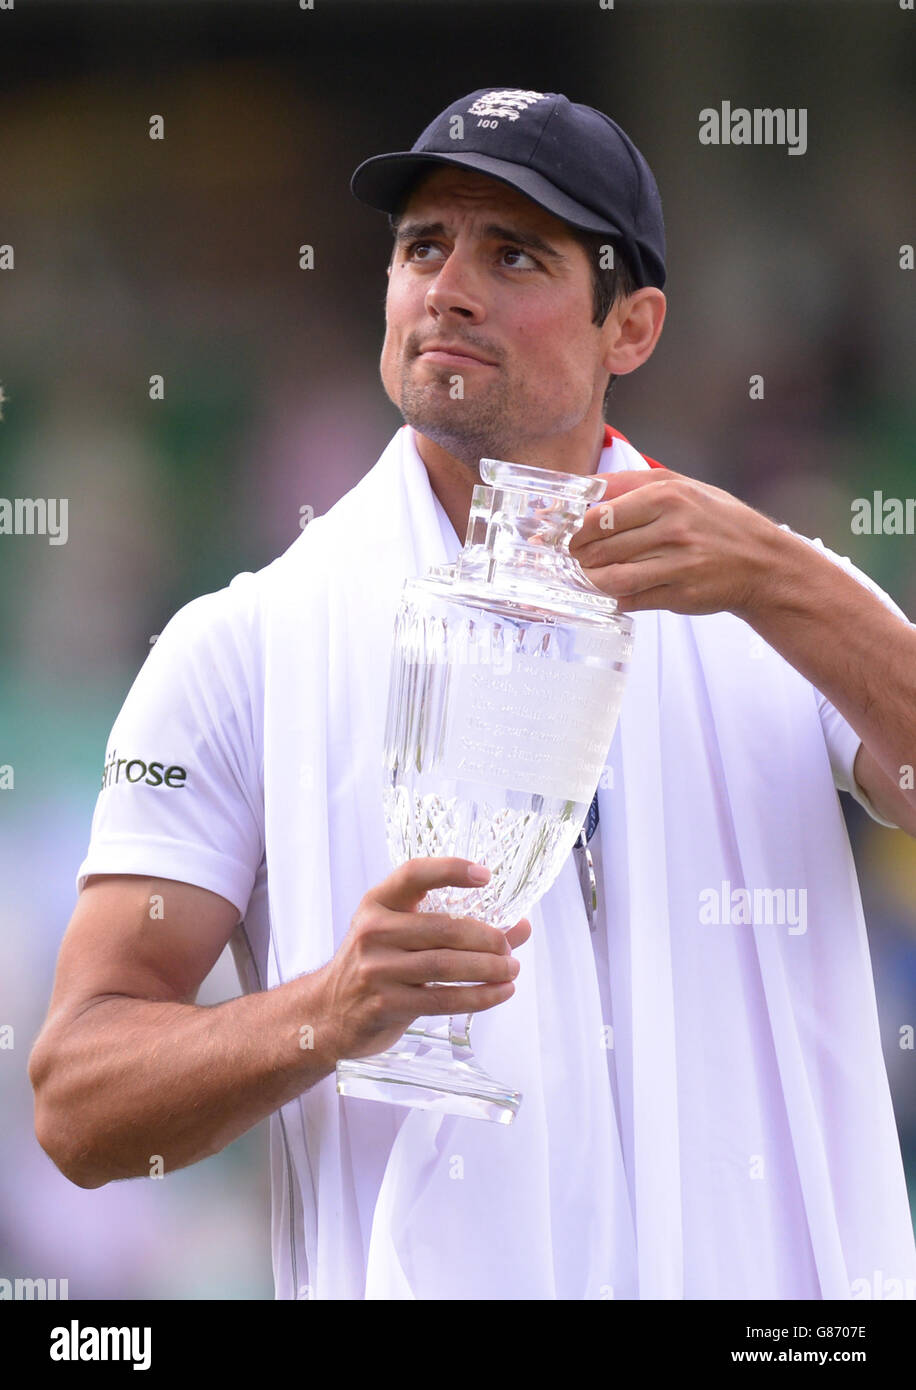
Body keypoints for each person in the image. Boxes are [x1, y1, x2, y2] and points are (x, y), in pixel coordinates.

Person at [29, 88, 916, 1301]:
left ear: (633, 326)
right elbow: (78, 1096)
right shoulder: (243, 643)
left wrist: (778, 574)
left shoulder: (773, 601)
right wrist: (328, 1012)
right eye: (420, 246)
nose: (448, 287)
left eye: (514, 253)